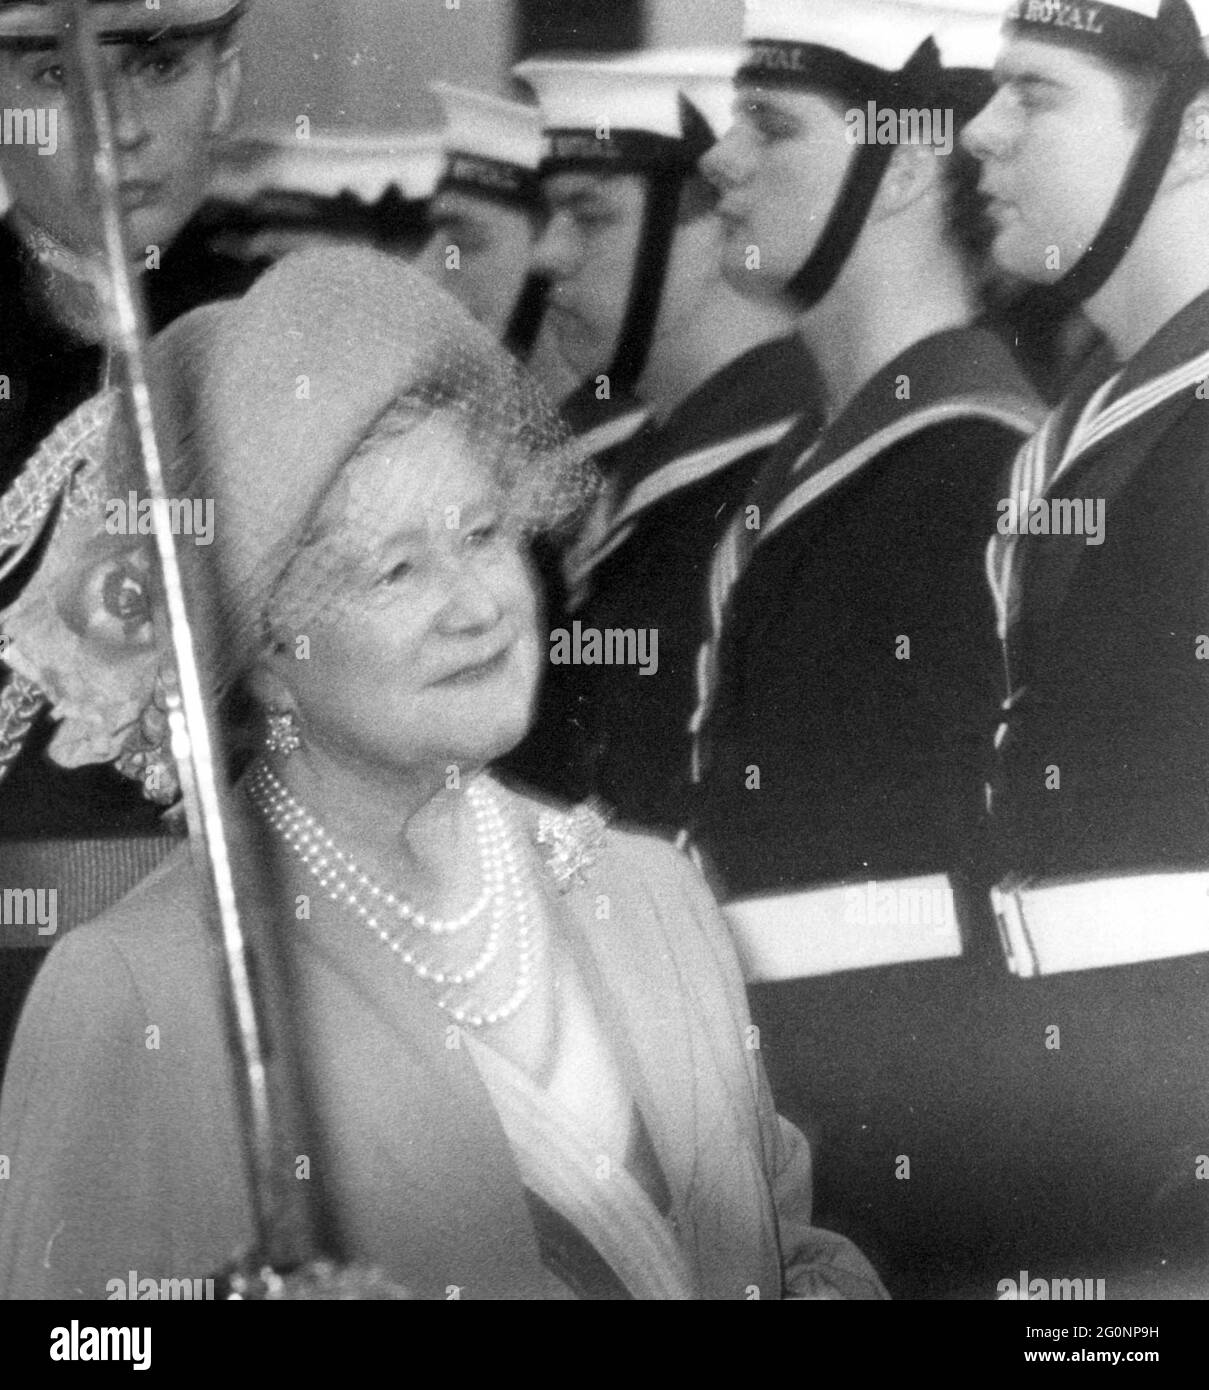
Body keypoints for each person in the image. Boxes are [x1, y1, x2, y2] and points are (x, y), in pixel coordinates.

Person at [0, 247, 886, 1301]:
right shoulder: (144, 987)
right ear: (266, 651)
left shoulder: (652, 896)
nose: (478, 606)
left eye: (483, 534)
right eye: (396, 569)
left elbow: (786, 1259)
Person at [687, 0, 1044, 1296]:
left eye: (769, 122)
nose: (720, 160)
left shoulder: (979, 471)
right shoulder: (823, 463)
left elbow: (979, 947)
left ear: (901, 162)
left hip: (912, 1224)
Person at [958, 0, 1209, 1292]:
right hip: (1065, 1138)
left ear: (1188, 134)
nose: (980, 136)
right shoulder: (1076, 428)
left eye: (1035, 96)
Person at [0, 0, 254, 1074]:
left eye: (156, 64)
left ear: (226, 86)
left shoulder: (290, 347)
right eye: (54, 78)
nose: (116, 125)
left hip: (237, 1015)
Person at [504, 49, 817, 828]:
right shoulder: (643, 463)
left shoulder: (771, 466)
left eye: (590, 214)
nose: (546, 255)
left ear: (723, 226)